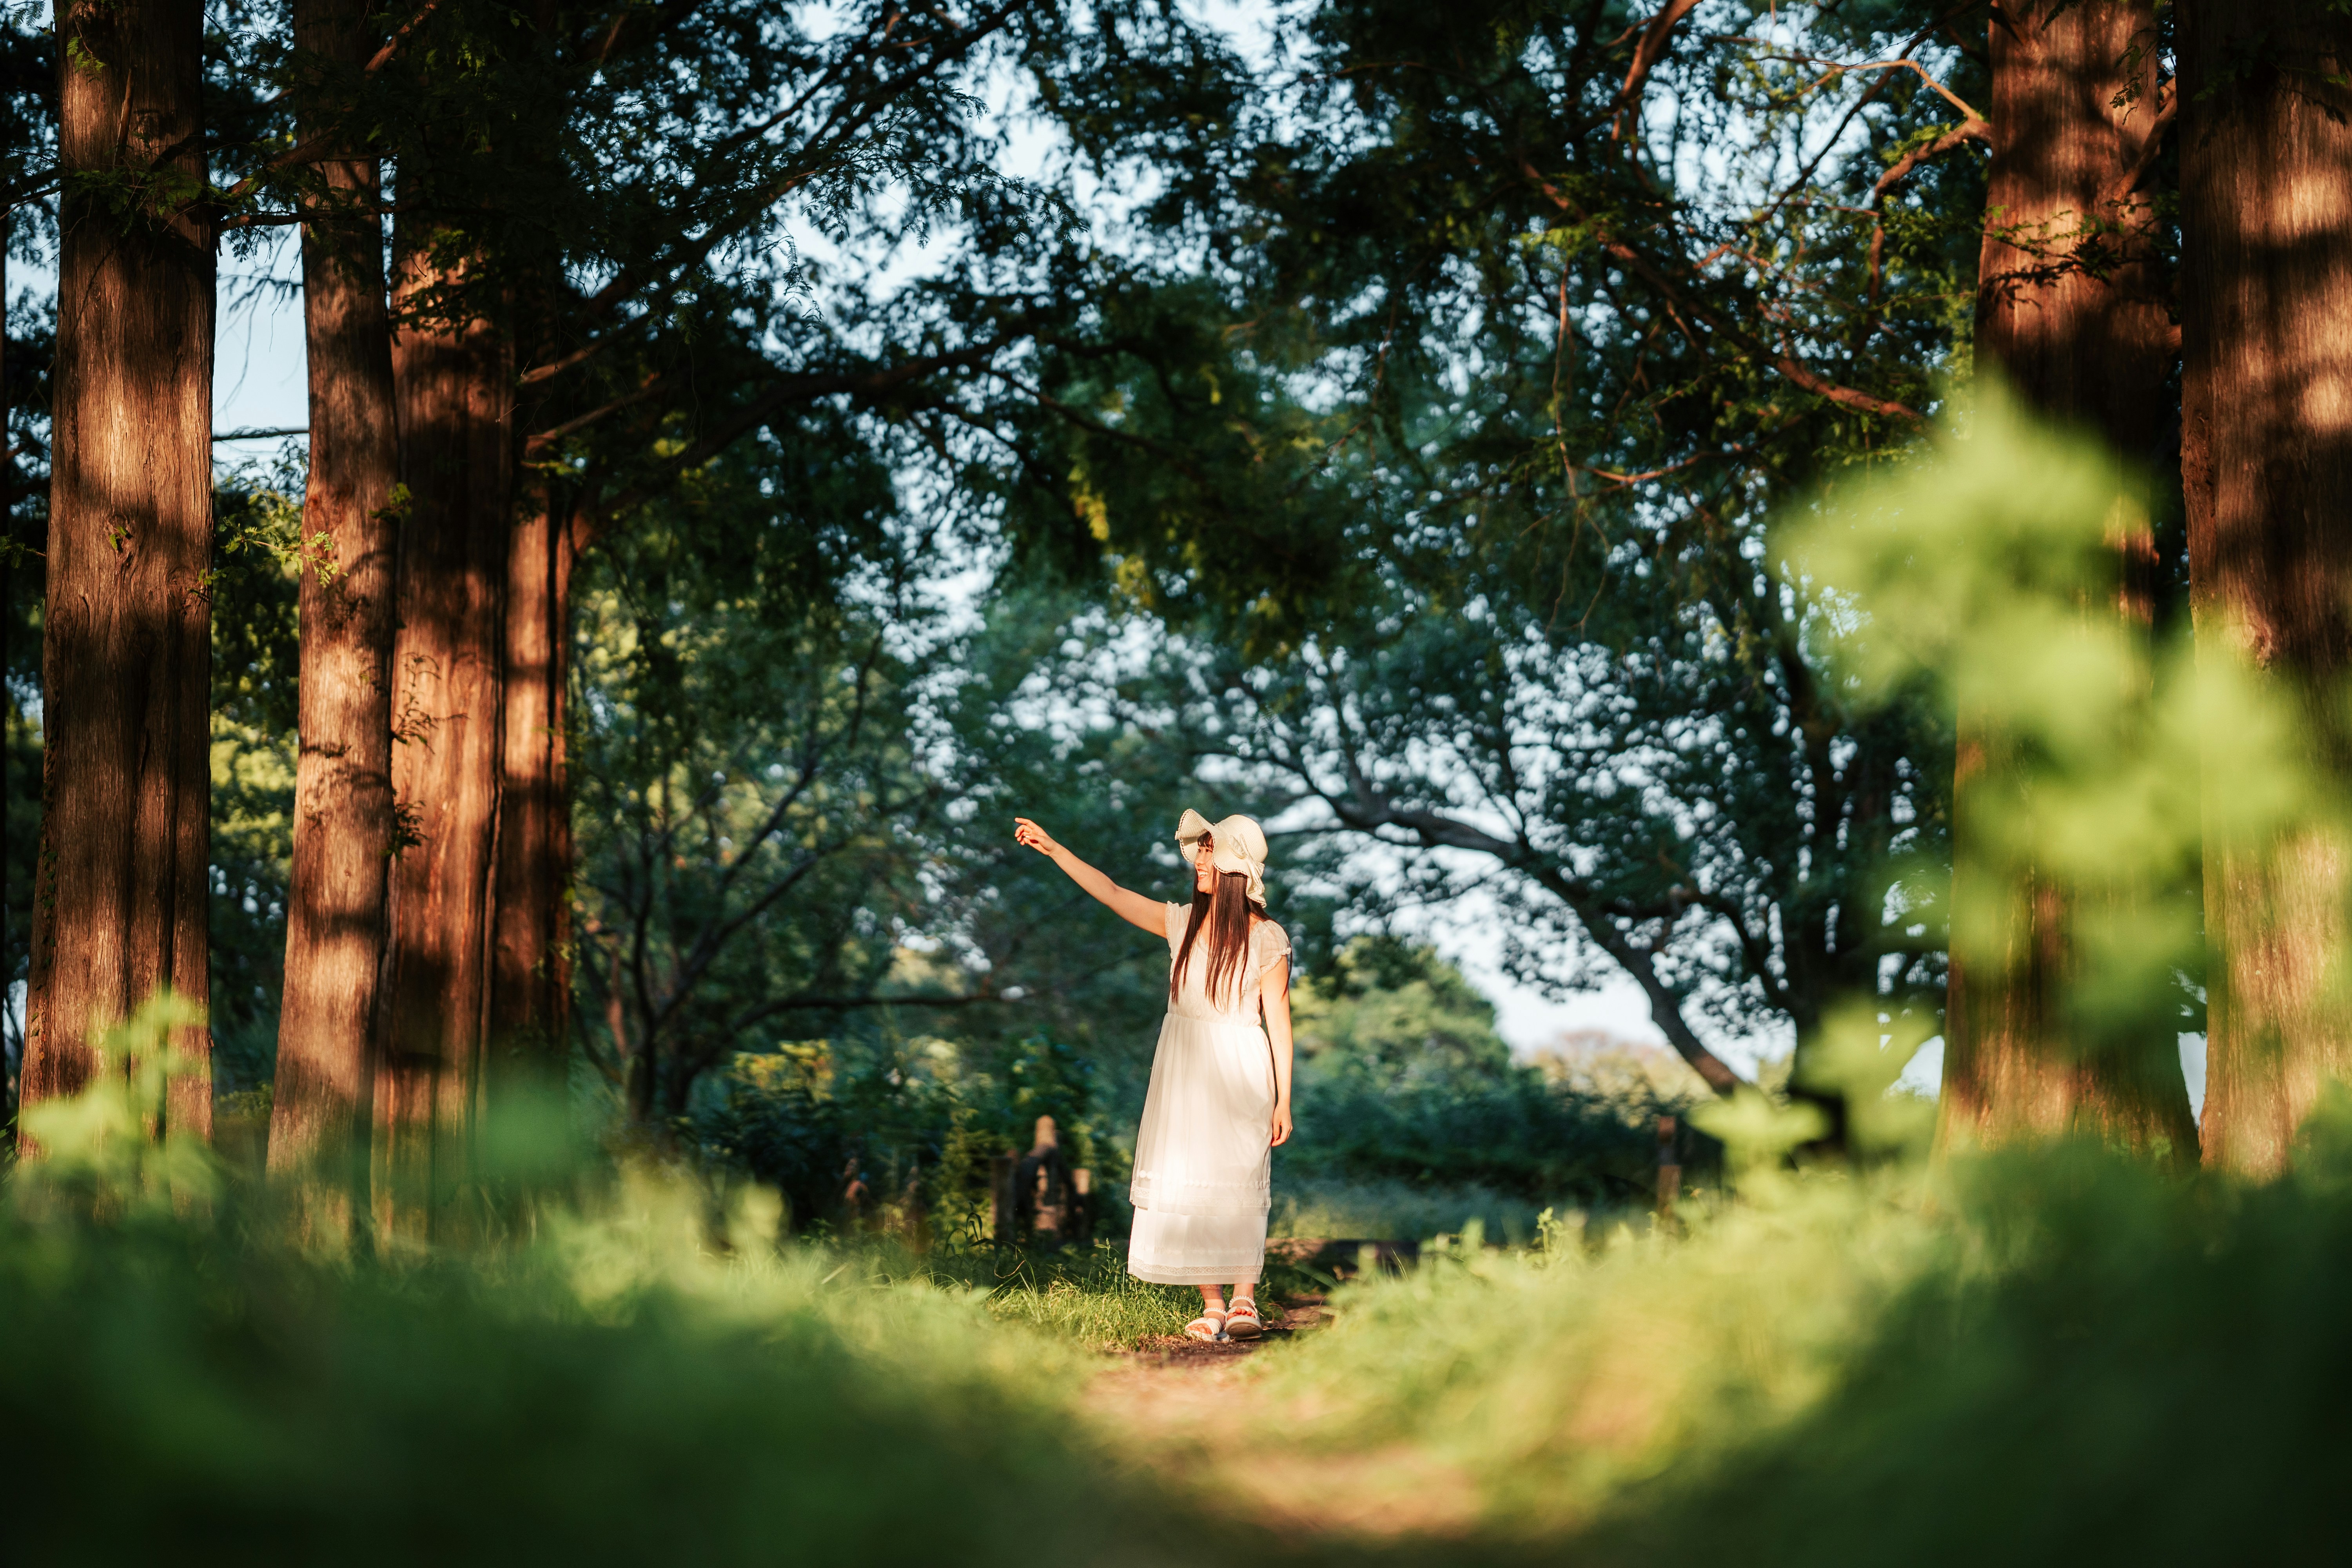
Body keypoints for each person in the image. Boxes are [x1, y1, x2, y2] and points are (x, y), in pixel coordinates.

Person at [1011, 809, 1294, 1341]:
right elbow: (1114, 892)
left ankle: (1244, 1301)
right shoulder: (1181, 922)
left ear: (1235, 863)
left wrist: (1284, 1100)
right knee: (1192, 1178)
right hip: (1184, 1067)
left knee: (1237, 1181)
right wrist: (1054, 849)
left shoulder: (1268, 938)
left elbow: (1279, 1021)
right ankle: (1212, 1304)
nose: (1199, 860)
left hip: (1242, 1065)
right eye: (1201, 850)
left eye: (1210, 850)